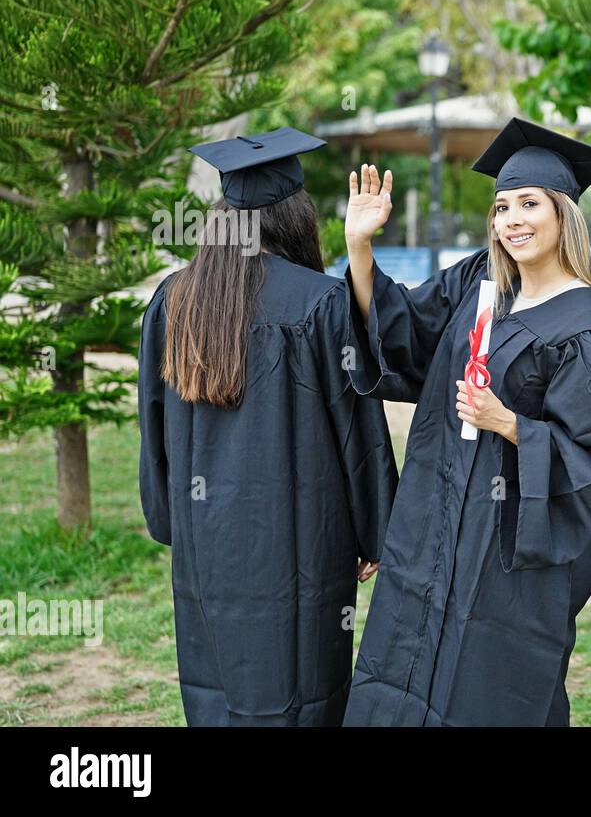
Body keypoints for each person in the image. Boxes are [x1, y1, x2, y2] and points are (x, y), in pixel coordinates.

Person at [340, 118, 591, 726]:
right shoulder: (480, 286)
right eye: (502, 207)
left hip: (507, 555)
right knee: (402, 669)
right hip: (432, 527)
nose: (512, 220)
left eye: (529, 204)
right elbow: (400, 330)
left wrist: (512, 426)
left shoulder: (584, 329)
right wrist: (360, 246)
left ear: (563, 215)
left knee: (486, 689)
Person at [138, 127, 398, 726]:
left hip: (207, 544)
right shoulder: (321, 304)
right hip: (305, 545)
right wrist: (372, 529)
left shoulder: (172, 301)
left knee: (215, 688)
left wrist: (170, 516)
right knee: (300, 687)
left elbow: (154, 432)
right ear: (296, 217)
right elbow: (357, 429)